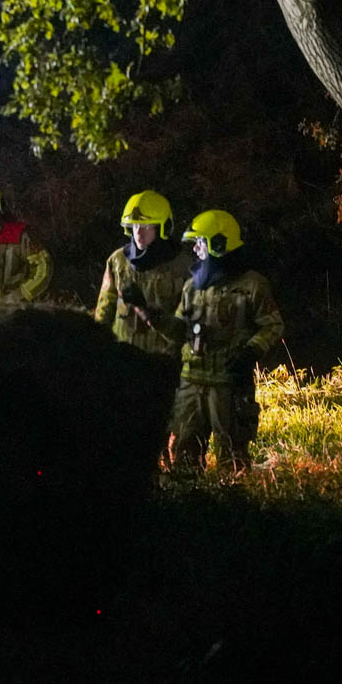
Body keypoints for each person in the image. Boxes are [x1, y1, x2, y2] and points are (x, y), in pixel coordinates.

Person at [168, 210, 284, 473]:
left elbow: (273, 324)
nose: (196, 249)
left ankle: (232, 506)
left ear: (218, 245)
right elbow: (177, 327)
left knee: (231, 458)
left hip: (229, 382)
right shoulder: (192, 286)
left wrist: (251, 351)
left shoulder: (252, 285)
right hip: (191, 380)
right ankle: (187, 504)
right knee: (184, 453)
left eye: (201, 242)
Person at [92, 190, 192, 358]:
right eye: (135, 225)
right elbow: (104, 312)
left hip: (161, 361)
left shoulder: (184, 266)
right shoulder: (118, 261)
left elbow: (184, 330)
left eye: (146, 226)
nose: (139, 232)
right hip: (122, 358)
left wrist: (149, 313)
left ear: (162, 227)